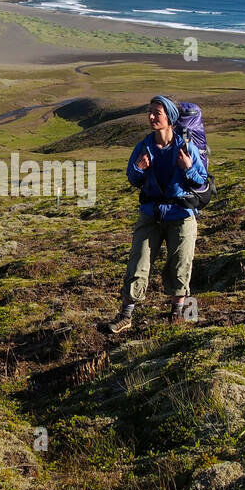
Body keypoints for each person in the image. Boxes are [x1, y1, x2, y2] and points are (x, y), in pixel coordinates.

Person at [100, 95, 207, 334]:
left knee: (180, 264)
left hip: (181, 215)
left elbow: (202, 182)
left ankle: (178, 314)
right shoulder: (144, 145)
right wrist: (139, 168)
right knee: (138, 261)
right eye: (149, 112)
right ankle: (126, 315)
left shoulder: (186, 147)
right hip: (151, 214)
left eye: (156, 113)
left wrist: (188, 169)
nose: (150, 117)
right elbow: (132, 177)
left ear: (169, 117)